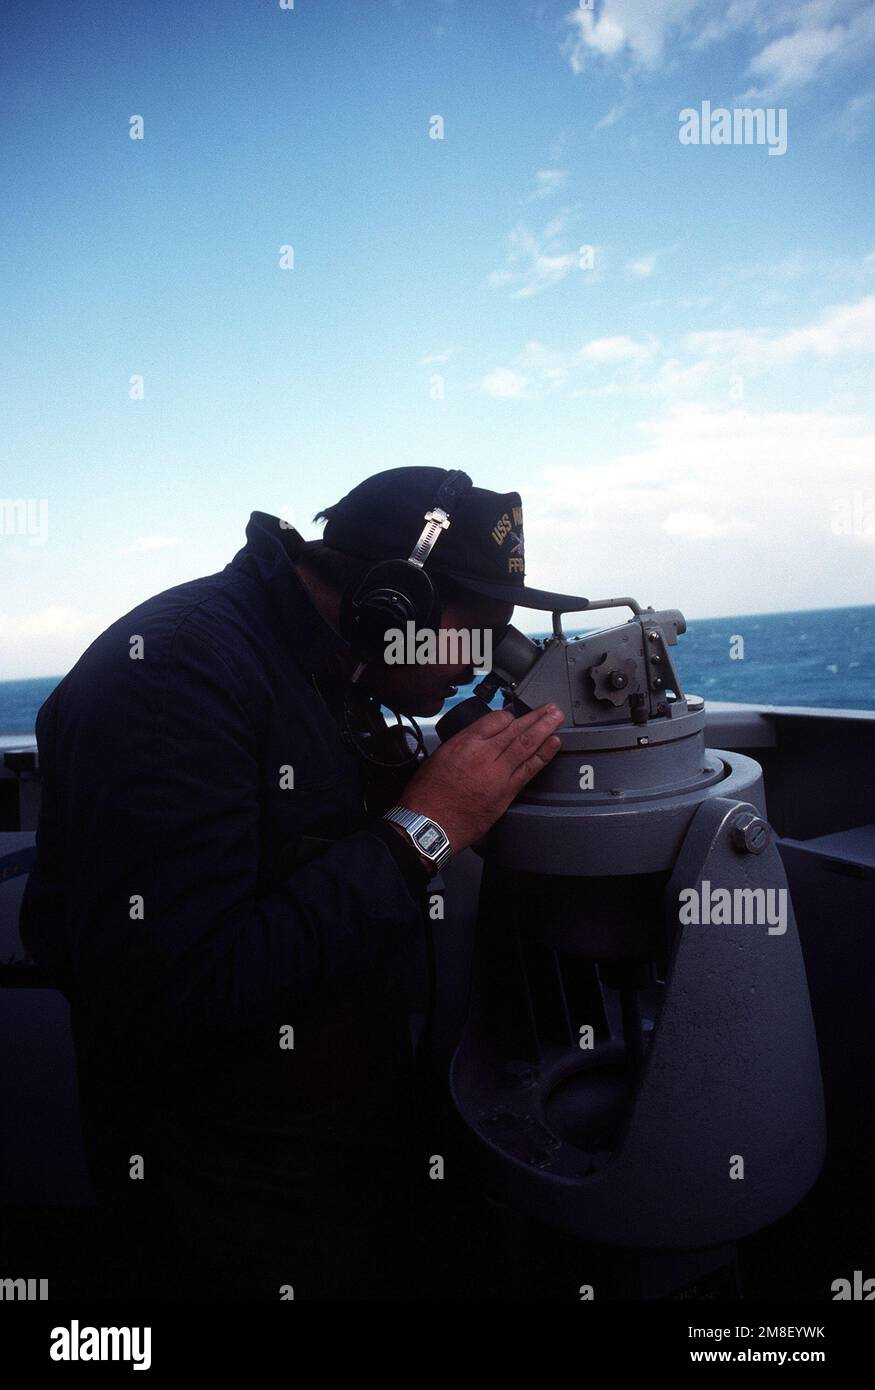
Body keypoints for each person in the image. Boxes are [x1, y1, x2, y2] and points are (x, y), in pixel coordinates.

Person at [20, 466, 583, 1299]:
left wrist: (433, 789)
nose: (483, 661)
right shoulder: (173, 678)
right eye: (482, 628)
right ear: (396, 604)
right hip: (232, 1194)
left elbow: (291, 848)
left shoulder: (317, 664)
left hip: (334, 1134)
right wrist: (423, 829)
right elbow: (173, 988)